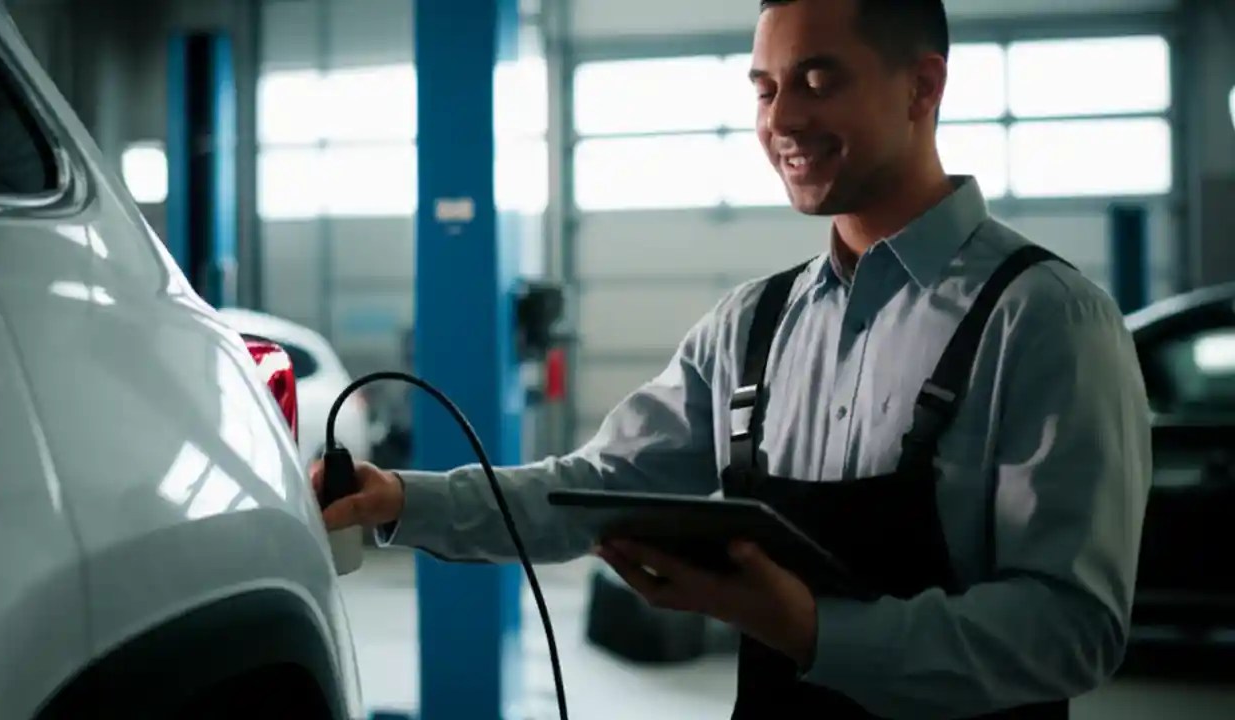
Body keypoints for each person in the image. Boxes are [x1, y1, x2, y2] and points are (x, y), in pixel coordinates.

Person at [312, 0, 1152, 717]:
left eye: (819, 81)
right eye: (765, 88)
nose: (782, 120)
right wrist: (397, 500)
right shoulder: (750, 325)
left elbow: (1071, 629)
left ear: (922, 88)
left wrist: (810, 630)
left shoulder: (1045, 321)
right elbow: (597, 489)